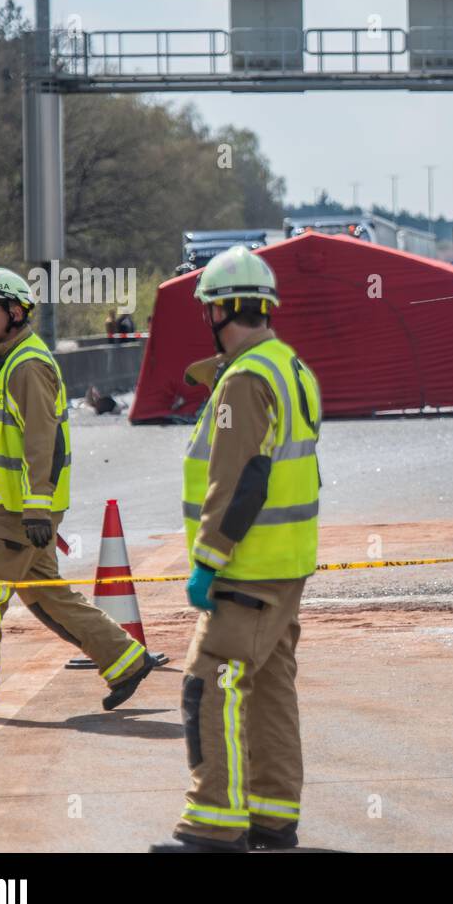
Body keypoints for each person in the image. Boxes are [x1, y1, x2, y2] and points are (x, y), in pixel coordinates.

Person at [0, 267, 154, 721]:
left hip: (18, 514)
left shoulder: (26, 366)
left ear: (15, 310)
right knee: (47, 595)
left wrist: (36, 508)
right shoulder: (1, 362)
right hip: (17, 510)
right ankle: (126, 660)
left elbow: (42, 445)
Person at [151, 245, 321, 852]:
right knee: (271, 688)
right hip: (286, 565)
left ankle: (213, 821)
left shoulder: (246, 379)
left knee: (209, 684)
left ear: (220, 311)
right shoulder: (291, 367)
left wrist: (207, 561)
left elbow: (240, 480)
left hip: (245, 570)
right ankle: (273, 816)